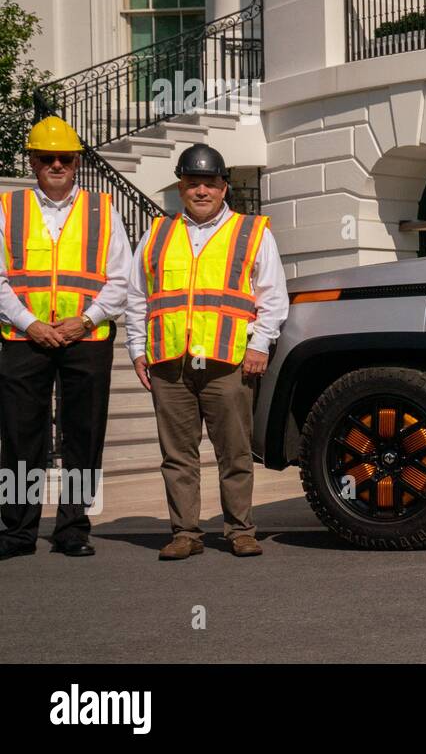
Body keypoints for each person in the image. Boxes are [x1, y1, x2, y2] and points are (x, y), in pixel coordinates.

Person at [125, 144, 287, 560]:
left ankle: (240, 529)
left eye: (209, 184)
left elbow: (273, 297)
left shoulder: (252, 232)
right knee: (177, 456)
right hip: (169, 362)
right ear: (181, 187)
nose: (201, 191)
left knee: (233, 451)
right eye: (193, 183)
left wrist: (259, 344)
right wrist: (137, 350)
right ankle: (185, 533)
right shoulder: (157, 233)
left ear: (223, 187)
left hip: (227, 362)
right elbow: (137, 296)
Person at [0, 116, 131, 560]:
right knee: (20, 437)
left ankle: (72, 527)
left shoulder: (103, 208)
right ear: (32, 161)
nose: (56, 164)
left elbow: (121, 279)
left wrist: (87, 320)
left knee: (83, 434)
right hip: (24, 339)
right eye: (46, 157)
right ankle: (18, 530)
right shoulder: (7, 208)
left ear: (77, 162)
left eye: (65, 158)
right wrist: (27, 322)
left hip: (86, 340)